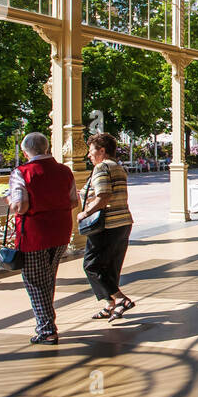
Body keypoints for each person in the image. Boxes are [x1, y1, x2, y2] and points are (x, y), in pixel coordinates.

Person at [8, 132, 78, 345]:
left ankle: (47, 329)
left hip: (34, 234)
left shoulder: (22, 173)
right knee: (47, 278)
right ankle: (45, 323)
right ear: (46, 148)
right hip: (60, 231)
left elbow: (21, 206)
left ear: (25, 151)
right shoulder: (65, 171)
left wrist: (9, 199)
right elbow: (73, 201)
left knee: (36, 282)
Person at [78, 132, 135, 322]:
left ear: (102, 150)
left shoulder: (101, 167)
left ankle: (120, 299)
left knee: (91, 264)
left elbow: (103, 196)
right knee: (111, 267)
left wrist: (85, 213)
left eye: (91, 150)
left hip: (107, 224)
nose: (89, 155)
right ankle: (109, 304)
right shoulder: (118, 167)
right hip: (123, 222)